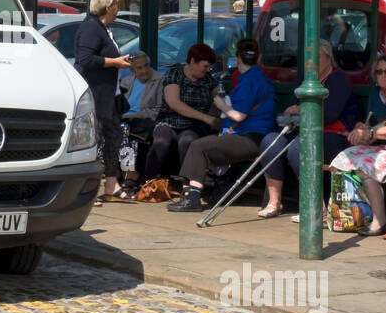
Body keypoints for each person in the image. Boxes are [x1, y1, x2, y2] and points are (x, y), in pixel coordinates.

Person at [168, 38, 277, 211]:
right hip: (250, 135)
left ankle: (193, 198)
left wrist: (220, 104)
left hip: (251, 137)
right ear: (258, 58)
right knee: (203, 144)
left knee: (199, 147)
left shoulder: (249, 81)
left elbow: (239, 116)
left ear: (238, 58)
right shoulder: (255, 78)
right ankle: (212, 190)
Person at [257, 38, 360, 219]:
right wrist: (291, 110)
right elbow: (293, 107)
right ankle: (274, 202)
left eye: (315, 57)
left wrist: (301, 109)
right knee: (271, 142)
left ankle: (316, 207)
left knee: (300, 147)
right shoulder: (306, 80)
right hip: (303, 130)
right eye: (307, 57)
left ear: (328, 58)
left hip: (334, 135)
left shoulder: (338, 78)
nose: (309, 62)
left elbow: (330, 114)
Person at [330, 53, 386, 235]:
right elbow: (371, 124)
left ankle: (379, 221)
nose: (383, 75)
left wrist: (370, 133)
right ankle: (355, 214)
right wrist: (360, 129)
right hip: (380, 148)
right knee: (344, 158)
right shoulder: (375, 93)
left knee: (366, 167)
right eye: (378, 72)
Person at [75, 0, 133, 204]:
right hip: (96, 96)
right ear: (109, 7)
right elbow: (85, 59)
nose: (118, 9)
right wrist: (115, 62)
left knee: (114, 137)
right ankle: (86, 190)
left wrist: (120, 60)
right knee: (93, 143)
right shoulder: (91, 27)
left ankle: (111, 183)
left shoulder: (104, 28)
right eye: (117, 5)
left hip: (111, 96)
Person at [144, 43, 223, 182]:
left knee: (188, 140)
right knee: (161, 141)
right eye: (205, 66)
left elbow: (221, 98)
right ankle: (147, 182)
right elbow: (174, 103)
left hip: (194, 125)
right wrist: (206, 118)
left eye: (209, 66)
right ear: (193, 61)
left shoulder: (208, 80)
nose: (207, 70)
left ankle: (188, 184)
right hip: (169, 121)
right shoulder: (175, 74)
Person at [118, 52, 163, 190]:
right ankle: (114, 175)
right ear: (132, 70)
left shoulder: (159, 80)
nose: (144, 71)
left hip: (144, 120)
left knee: (125, 130)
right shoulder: (126, 82)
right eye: (139, 68)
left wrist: (135, 116)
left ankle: (131, 174)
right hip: (124, 119)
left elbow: (159, 109)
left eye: (146, 66)